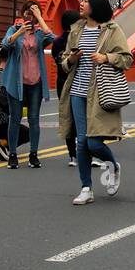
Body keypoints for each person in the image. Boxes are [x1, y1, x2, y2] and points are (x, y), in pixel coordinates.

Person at [59, 0, 134, 205]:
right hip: (77, 93)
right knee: (81, 142)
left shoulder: (112, 29)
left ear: (96, 5)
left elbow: (127, 59)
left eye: (85, 1)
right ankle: (86, 188)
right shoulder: (76, 30)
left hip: (99, 92)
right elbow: (64, 63)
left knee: (93, 142)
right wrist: (71, 59)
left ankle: (113, 164)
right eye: (81, 0)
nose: (80, 4)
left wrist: (106, 57)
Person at [1, 0, 54, 169]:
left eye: (33, 13)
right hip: (16, 82)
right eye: (27, 12)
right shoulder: (14, 29)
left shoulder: (39, 34)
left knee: (33, 119)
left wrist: (39, 15)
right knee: (15, 118)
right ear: (22, 14)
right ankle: (13, 154)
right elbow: (5, 44)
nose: (29, 16)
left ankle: (33, 154)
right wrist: (20, 32)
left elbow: (51, 36)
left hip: (36, 81)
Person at [51, 9, 82, 165]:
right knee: (81, 118)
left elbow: (58, 62)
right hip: (77, 81)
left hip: (61, 82)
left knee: (67, 118)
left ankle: (72, 156)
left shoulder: (57, 42)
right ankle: (84, 153)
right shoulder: (78, 39)